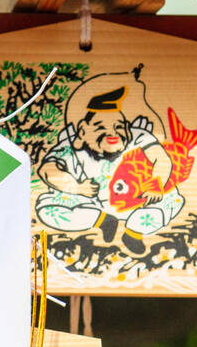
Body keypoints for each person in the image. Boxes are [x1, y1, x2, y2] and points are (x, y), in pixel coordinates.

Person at [35, 68, 181, 246]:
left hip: (137, 202)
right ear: (82, 131)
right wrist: (76, 187)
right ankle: (102, 221)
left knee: (171, 199)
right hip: (89, 204)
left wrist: (155, 183)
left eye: (119, 126)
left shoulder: (138, 138)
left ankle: (135, 231)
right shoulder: (71, 148)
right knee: (47, 210)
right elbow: (48, 169)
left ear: (127, 128)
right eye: (100, 127)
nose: (112, 133)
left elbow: (161, 159)